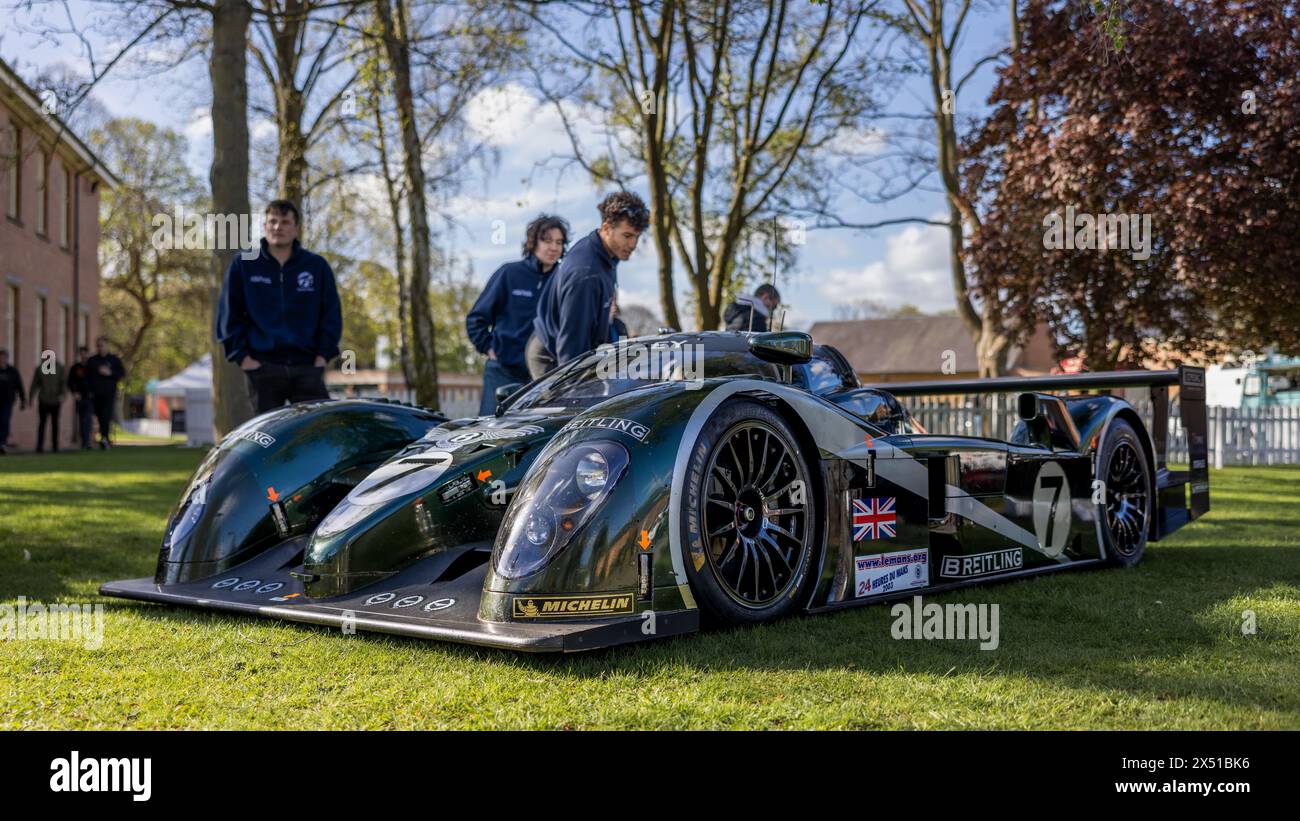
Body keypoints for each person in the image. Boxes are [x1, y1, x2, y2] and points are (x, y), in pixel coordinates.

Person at [217, 199, 342, 414]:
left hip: (307, 367)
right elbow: (229, 315)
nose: (277, 227)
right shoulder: (244, 264)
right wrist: (244, 359)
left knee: (315, 432)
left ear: (296, 228)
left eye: (285, 222)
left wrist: (322, 357)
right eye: (272, 221)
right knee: (265, 439)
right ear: (264, 226)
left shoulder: (316, 266)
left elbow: (331, 315)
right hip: (262, 367)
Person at [527, 192, 649, 378]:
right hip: (552, 358)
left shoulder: (607, 256)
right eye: (627, 236)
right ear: (606, 228)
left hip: (580, 350)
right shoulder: (586, 274)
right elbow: (571, 351)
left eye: (636, 236)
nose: (633, 244)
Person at [467, 214, 568, 414]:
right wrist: (490, 348)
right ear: (533, 242)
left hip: (544, 377)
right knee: (491, 434)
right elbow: (475, 319)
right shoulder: (509, 274)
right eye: (547, 241)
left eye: (559, 242)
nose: (553, 248)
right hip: (502, 371)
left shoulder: (564, 279)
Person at [86, 339, 125, 448]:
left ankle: (105, 438)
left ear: (107, 346)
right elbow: (87, 377)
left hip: (109, 394)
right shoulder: (92, 361)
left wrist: (110, 373)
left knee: (106, 416)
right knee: (97, 416)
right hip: (95, 394)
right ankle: (100, 438)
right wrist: (89, 391)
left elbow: (121, 373)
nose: (100, 348)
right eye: (98, 346)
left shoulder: (114, 360)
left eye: (102, 345)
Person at [29, 356, 68, 453]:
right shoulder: (40, 368)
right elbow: (35, 383)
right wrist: (31, 397)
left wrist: (63, 395)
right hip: (44, 400)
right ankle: (39, 446)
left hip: (55, 400)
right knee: (42, 423)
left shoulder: (60, 368)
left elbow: (63, 383)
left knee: (55, 424)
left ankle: (55, 446)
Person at [66, 346, 93, 449]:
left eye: (85, 354)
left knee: (88, 419)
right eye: (81, 354)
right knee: (82, 419)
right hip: (80, 397)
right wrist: (74, 392)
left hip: (90, 397)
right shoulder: (75, 368)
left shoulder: (92, 367)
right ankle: (84, 440)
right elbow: (70, 382)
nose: (83, 356)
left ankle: (87, 440)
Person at [0, 349, 25, 455]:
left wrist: (23, 400)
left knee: (5, 422)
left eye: (4, 357)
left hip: (7, 402)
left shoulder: (12, 371)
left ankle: (2, 443)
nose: (2, 360)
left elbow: (19, 386)